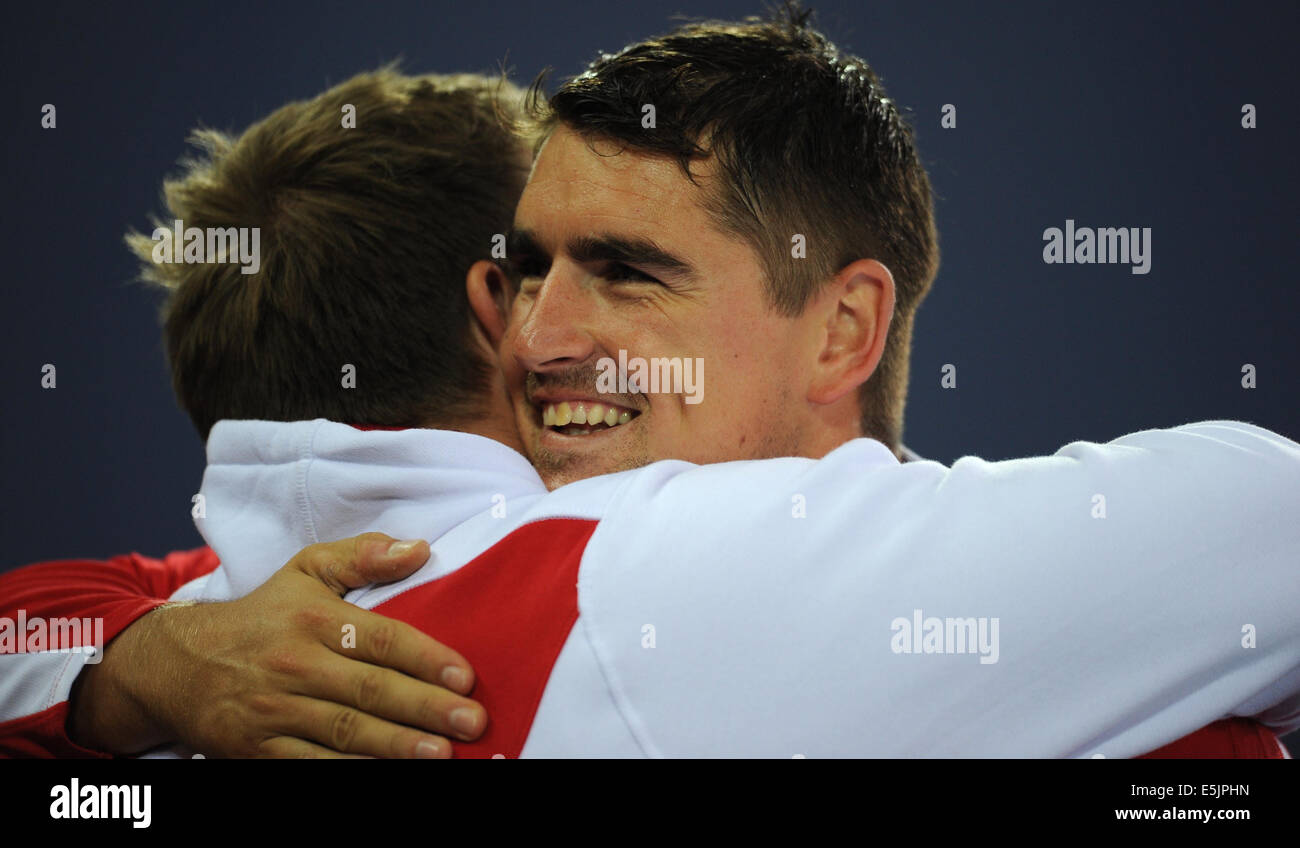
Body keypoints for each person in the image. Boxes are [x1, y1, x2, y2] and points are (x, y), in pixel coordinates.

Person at [3, 9, 1296, 757]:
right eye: (528, 270)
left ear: (845, 330)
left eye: (624, 269)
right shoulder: (612, 573)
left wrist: (123, 680)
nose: (541, 336)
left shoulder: (246, 619)